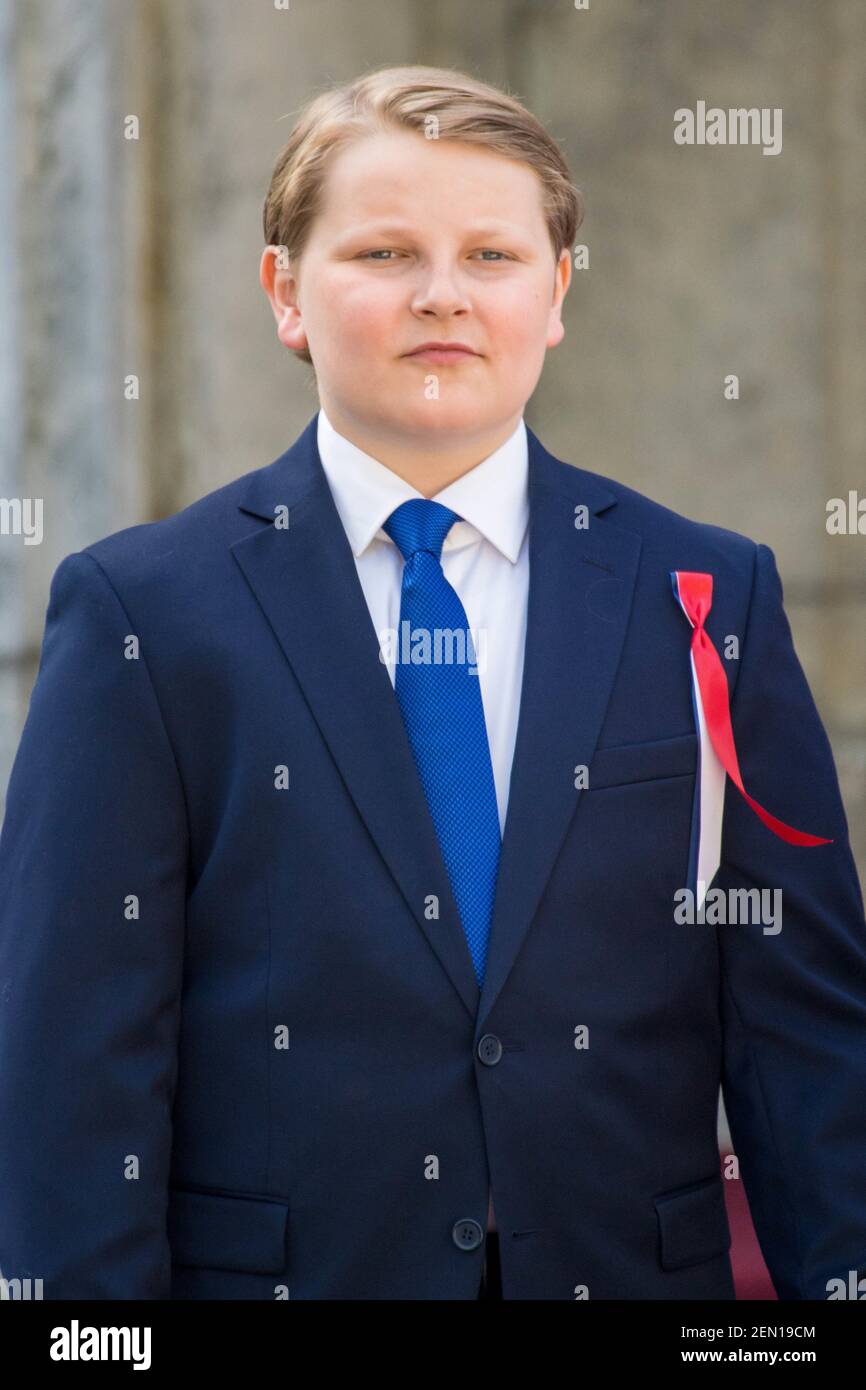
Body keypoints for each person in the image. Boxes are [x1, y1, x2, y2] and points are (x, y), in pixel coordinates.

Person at [0, 64, 864, 1301]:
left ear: (558, 291)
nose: (442, 296)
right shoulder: (144, 614)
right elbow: (69, 1060)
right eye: (385, 252)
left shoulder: (707, 597)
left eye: (492, 256)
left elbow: (801, 1030)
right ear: (285, 291)